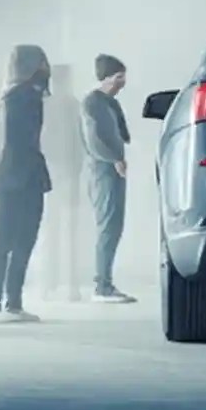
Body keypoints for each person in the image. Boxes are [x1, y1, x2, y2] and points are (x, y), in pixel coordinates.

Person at [0, 46, 53, 322]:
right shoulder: (27, 98)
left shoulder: (0, 100)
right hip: (24, 179)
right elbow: (20, 143)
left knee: (1, 242)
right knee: (22, 241)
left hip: (5, 180)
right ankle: (12, 302)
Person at [82, 54, 136, 304]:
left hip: (113, 168)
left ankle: (105, 283)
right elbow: (93, 138)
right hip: (103, 170)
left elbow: (123, 134)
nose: (122, 82)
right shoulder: (92, 102)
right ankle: (102, 286)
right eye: (118, 77)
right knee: (108, 226)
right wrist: (114, 158)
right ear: (105, 78)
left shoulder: (109, 102)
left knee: (114, 225)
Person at [41, 65, 85, 301]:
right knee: (70, 230)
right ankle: (71, 286)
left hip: (50, 171)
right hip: (68, 171)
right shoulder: (72, 104)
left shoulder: (44, 105)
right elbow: (80, 138)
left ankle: (48, 285)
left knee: (50, 229)